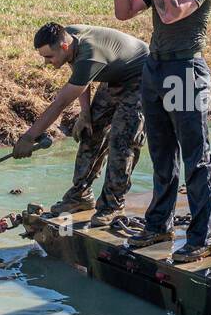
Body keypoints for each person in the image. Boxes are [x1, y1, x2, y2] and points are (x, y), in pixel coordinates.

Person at [113, 0, 211, 264]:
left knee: (196, 158)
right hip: (155, 69)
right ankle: (158, 225)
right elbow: (124, 12)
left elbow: (172, 13)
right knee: (161, 154)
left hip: (185, 70)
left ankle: (202, 238)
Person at [13, 22, 146, 228]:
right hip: (116, 75)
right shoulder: (69, 38)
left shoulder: (89, 54)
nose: (47, 63)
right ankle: (81, 195)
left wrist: (29, 137)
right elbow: (80, 73)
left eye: (49, 57)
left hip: (142, 76)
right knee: (90, 130)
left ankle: (113, 204)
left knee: (122, 141)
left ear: (64, 47)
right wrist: (85, 114)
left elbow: (60, 103)